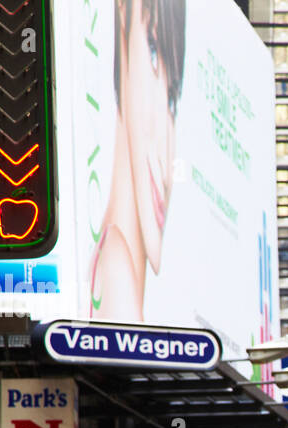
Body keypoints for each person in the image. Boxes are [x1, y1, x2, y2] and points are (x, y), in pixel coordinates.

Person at [89, 0, 187, 322]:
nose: (166, 141)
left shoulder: (116, 275)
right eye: (155, 53)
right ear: (120, 13)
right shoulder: (114, 275)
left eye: (173, 97)